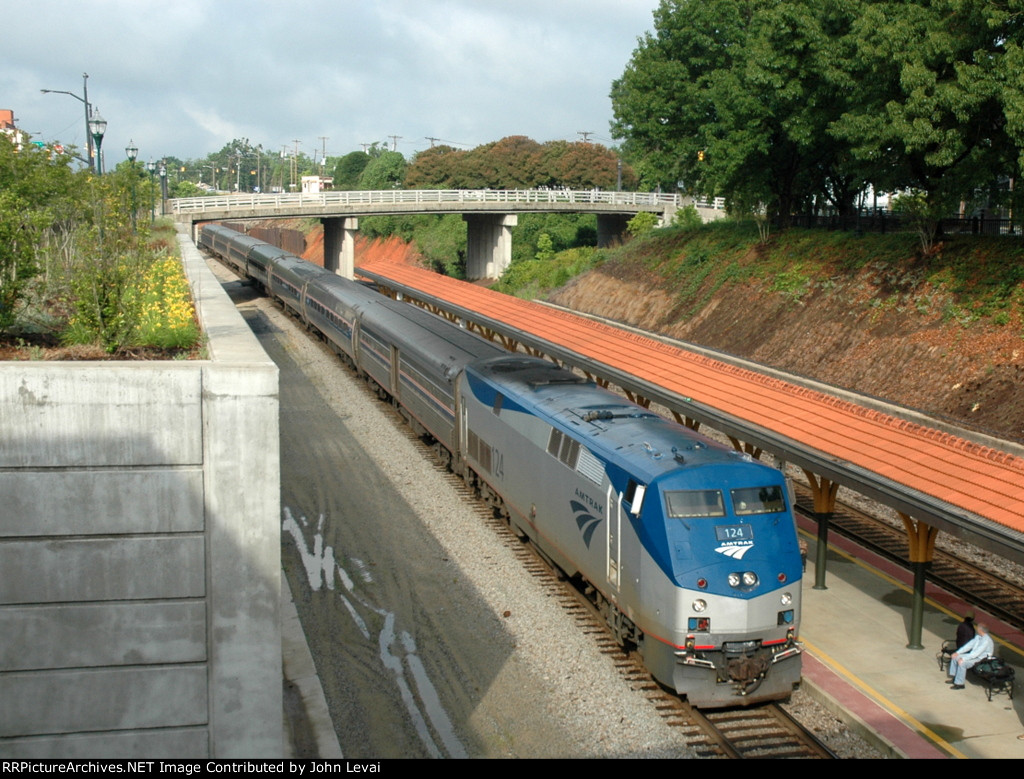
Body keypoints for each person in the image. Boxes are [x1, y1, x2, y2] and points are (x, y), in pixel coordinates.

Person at [948, 623, 993, 690]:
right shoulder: (978, 637)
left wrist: (963, 658)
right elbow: (969, 645)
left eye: (978, 628)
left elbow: (977, 653)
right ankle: (955, 677)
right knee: (955, 657)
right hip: (974, 656)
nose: (977, 629)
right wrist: (957, 653)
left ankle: (960, 683)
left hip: (981, 659)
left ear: (980, 630)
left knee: (962, 663)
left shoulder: (986, 641)